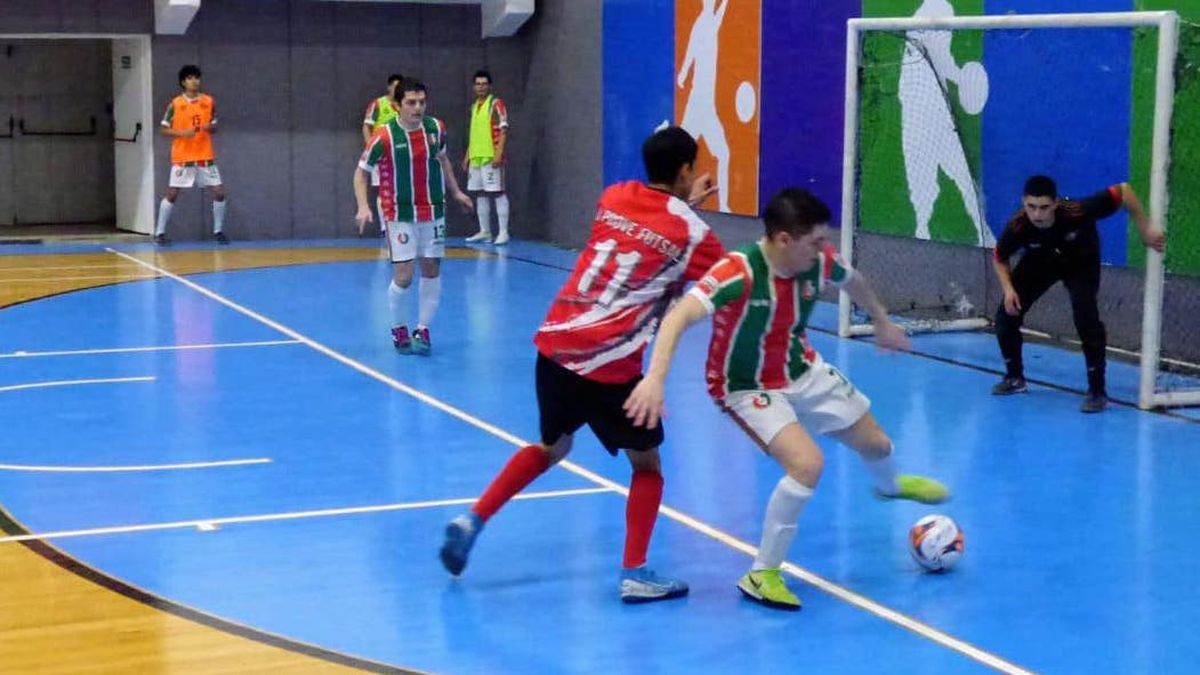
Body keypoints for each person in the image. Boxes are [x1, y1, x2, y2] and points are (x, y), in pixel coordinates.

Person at [624, 187, 950, 612]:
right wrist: (655, 377)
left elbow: (856, 281)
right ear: (783, 240)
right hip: (745, 385)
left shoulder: (818, 263)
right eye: (815, 241)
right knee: (807, 464)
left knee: (878, 445)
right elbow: (679, 316)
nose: (825, 249)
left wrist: (883, 320)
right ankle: (763, 572)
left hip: (800, 367)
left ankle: (890, 487)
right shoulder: (737, 272)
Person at [439, 127, 723, 603]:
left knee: (552, 445)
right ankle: (635, 571)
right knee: (648, 466)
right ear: (685, 171)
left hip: (554, 345)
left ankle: (474, 518)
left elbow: (647, 234)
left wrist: (682, 202)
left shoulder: (614, 196)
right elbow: (723, 273)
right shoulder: (694, 235)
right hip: (610, 363)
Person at [990, 176, 1166, 412]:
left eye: (1044, 207)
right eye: (1031, 207)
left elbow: (1123, 191)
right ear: (1024, 203)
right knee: (1005, 316)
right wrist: (1009, 290)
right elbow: (999, 257)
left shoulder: (1077, 211)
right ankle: (1014, 377)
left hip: (1080, 261)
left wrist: (1145, 227)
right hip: (1041, 261)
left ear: (1054, 203)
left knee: (1085, 316)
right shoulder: (1019, 224)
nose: (1037, 214)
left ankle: (1097, 391)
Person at [353, 79, 473, 355]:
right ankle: (398, 327)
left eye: (421, 102)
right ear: (397, 105)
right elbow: (361, 172)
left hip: (433, 211)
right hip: (399, 214)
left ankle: (423, 328)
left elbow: (442, 160)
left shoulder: (436, 128)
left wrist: (455, 191)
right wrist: (363, 205)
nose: (417, 108)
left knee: (431, 268)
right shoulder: (384, 136)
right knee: (405, 276)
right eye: (411, 102)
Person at [155, 65, 228, 246]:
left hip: (204, 155)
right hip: (183, 157)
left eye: (196, 77)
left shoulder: (209, 101)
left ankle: (218, 231)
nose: (194, 81)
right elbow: (163, 129)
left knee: (219, 192)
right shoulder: (175, 104)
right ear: (183, 82)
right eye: (190, 78)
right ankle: (159, 233)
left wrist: (211, 128)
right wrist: (181, 133)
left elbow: (215, 124)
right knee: (172, 193)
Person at [462, 70, 511, 244]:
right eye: (478, 84)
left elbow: (504, 129)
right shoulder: (474, 106)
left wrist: (498, 153)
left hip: (491, 156)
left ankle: (503, 232)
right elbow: (475, 132)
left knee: (497, 192)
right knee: (481, 193)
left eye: (484, 84)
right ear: (474, 87)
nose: (481, 87)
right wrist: (468, 155)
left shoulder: (496, 104)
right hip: (477, 157)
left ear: (489, 86)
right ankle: (485, 231)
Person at [362, 74, 404, 236]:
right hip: (382, 154)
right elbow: (366, 127)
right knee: (383, 189)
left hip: (400, 154)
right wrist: (370, 149)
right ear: (389, 87)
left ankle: (398, 222)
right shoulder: (378, 104)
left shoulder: (405, 105)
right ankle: (385, 227)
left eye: (400, 87)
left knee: (401, 189)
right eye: (394, 86)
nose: (397, 89)